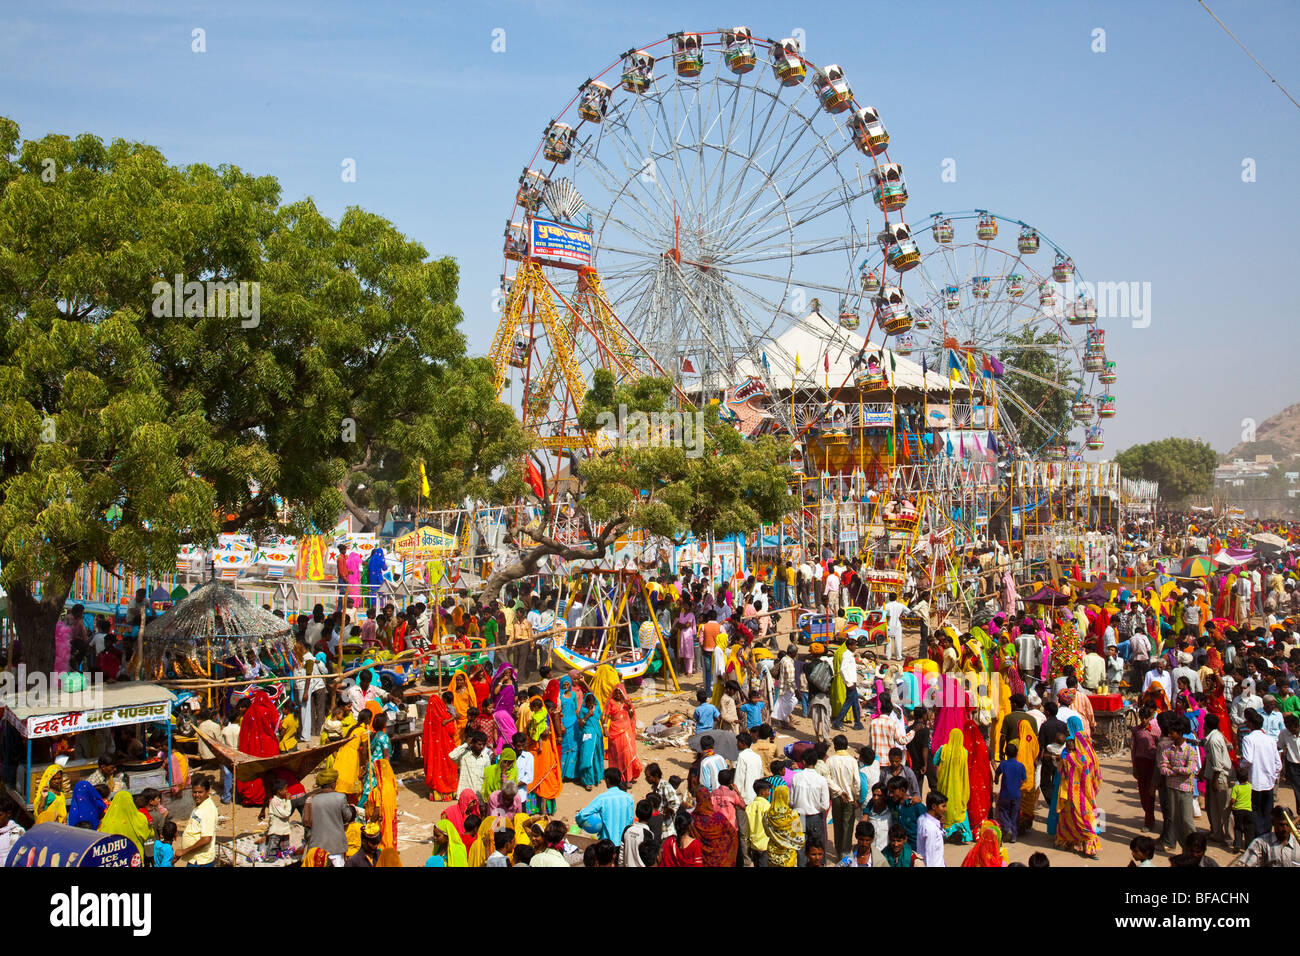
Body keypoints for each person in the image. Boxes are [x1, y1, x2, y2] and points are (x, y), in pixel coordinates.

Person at [1054, 718, 1102, 859]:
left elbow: (1061, 771)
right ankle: (1079, 844)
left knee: (1078, 820)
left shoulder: (1071, 759)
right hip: (1082, 795)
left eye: (1072, 741)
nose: (1070, 743)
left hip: (1074, 795)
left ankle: (1078, 844)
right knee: (1079, 819)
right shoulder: (1087, 758)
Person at [1158, 713, 1199, 852]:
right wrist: (1177, 770)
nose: (1170, 735)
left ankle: (1195, 848)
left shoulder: (1190, 751)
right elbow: (1163, 768)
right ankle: (1185, 849)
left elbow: (1190, 770)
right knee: (1175, 820)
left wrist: (1173, 768)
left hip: (1185, 789)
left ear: (1180, 733)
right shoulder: (1167, 750)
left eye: (1172, 732)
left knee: (1187, 821)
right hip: (1171, 788)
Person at [1240, 709, 1282, 838]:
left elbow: (1248, 759)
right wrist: (1274, 776)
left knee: (1256, 811)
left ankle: (1259, 838)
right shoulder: (1270, 739)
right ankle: (1267, 836)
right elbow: (1278, 764)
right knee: (1268, 811)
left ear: (1251, 724)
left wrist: (1241, 768)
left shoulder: (1248, 739)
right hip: (1268, 781)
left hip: (1255, 781)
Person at [302, 769, 356, 867]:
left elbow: (305, 821)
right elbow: (348, 817)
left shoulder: (310, 799)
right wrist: (352, 809)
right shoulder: (340, 797)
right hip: (336, 847)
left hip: (317, 849)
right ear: (333, 784)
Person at [825, 734, 861, 861]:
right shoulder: (852, 761)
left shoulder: (830, 760)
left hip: (836, 797)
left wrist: (839, 791)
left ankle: (839, 850)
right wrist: (856, 797)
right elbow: (856, 782)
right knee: (848, 824)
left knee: (838, 824)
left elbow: (827, 779)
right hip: (850, 797)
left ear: (835, 746)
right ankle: (845, 852)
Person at [575, 768, 635, 844]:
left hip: (607, 844)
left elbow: (583, 814)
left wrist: (580, 822)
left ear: (607, 780)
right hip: (624, 843)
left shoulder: (602, 798)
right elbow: (630, 819)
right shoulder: (629, 798)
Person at [176, 775, 219, 867]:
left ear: (207, 791)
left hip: (200, 860)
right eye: (194, 792)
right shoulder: (200, 805)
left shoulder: (208, 810)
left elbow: (206, 839)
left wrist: (184, 851)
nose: (196, 795)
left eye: (200, 792)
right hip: (194, 858)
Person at [98, 790, 152, 857]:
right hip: (135, 853)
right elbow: (149, 833)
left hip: (117, 856)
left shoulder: (107, 820)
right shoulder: (140, 817)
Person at [993, 741, 1027, 842]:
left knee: (1003, 811)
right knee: (1014, 815)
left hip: (1005, 794)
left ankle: (1007, 828)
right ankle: (1013, 836)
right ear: (1017, 753)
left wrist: (996, 780)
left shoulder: (1003, 764)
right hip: (1016, 794)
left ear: (1006, 754)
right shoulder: (1020, 766)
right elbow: (1024, 779)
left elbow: (997, 773)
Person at [745, 778, 772, 867]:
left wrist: (748, 844)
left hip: (753, 845)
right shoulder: (767, 807)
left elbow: (747, 828)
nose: (769, 793)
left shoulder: (749, 807)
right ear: (762, 792)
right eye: (768, 790)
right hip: (765, 844)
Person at [916, 791, 947, 868]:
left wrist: (941, 826)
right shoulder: (931, 828)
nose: (945, 809)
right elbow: (931, 855)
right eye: (943, 806)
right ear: (934, 806)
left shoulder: (922, 819)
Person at [622, 800, 654, 868]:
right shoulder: (648, 834)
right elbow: (649, 858)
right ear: (650, 815)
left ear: (636, 813)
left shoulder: (627, 830)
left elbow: (621, 853)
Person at [1230, 766, 1256, 851]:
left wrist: (1230, 806)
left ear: (1237, 778)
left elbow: (1233, 800)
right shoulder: (1250, 786)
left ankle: (1237, 844)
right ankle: (1248, 845)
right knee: (1249, 828)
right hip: (1248, 810)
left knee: (1238, 828)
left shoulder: (1236, 788)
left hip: (1238, 810)